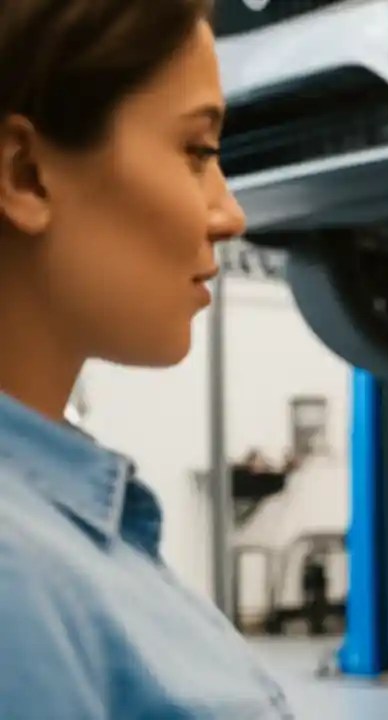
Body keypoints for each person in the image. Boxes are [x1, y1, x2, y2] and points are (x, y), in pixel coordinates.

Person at [0, 1, 292, 717]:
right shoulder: (17, 585)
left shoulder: (62, 530)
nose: (229, 214)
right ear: (27, 174)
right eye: (196, 151)